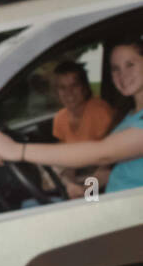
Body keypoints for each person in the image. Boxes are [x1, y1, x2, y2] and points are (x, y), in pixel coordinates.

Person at [0, 38, 143, 198]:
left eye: (130, 64)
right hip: (109, 203)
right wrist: (86, 192)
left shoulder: (105, 112)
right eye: (115, 68)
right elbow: (109, 171)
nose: (122, 74)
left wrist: (20, 151)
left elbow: (103, 153)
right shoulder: (128, 115)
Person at [48, 59, 116, 198]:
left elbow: (110, 162)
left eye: (75, 85)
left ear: (84, 87)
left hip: (104, 175)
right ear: (56, 91)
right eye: (62, 87)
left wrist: (85, 189)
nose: (69, 92)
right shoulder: (59, 118)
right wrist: (70, 185)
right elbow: (66, 160)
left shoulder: (100, 111)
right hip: (80, 175)